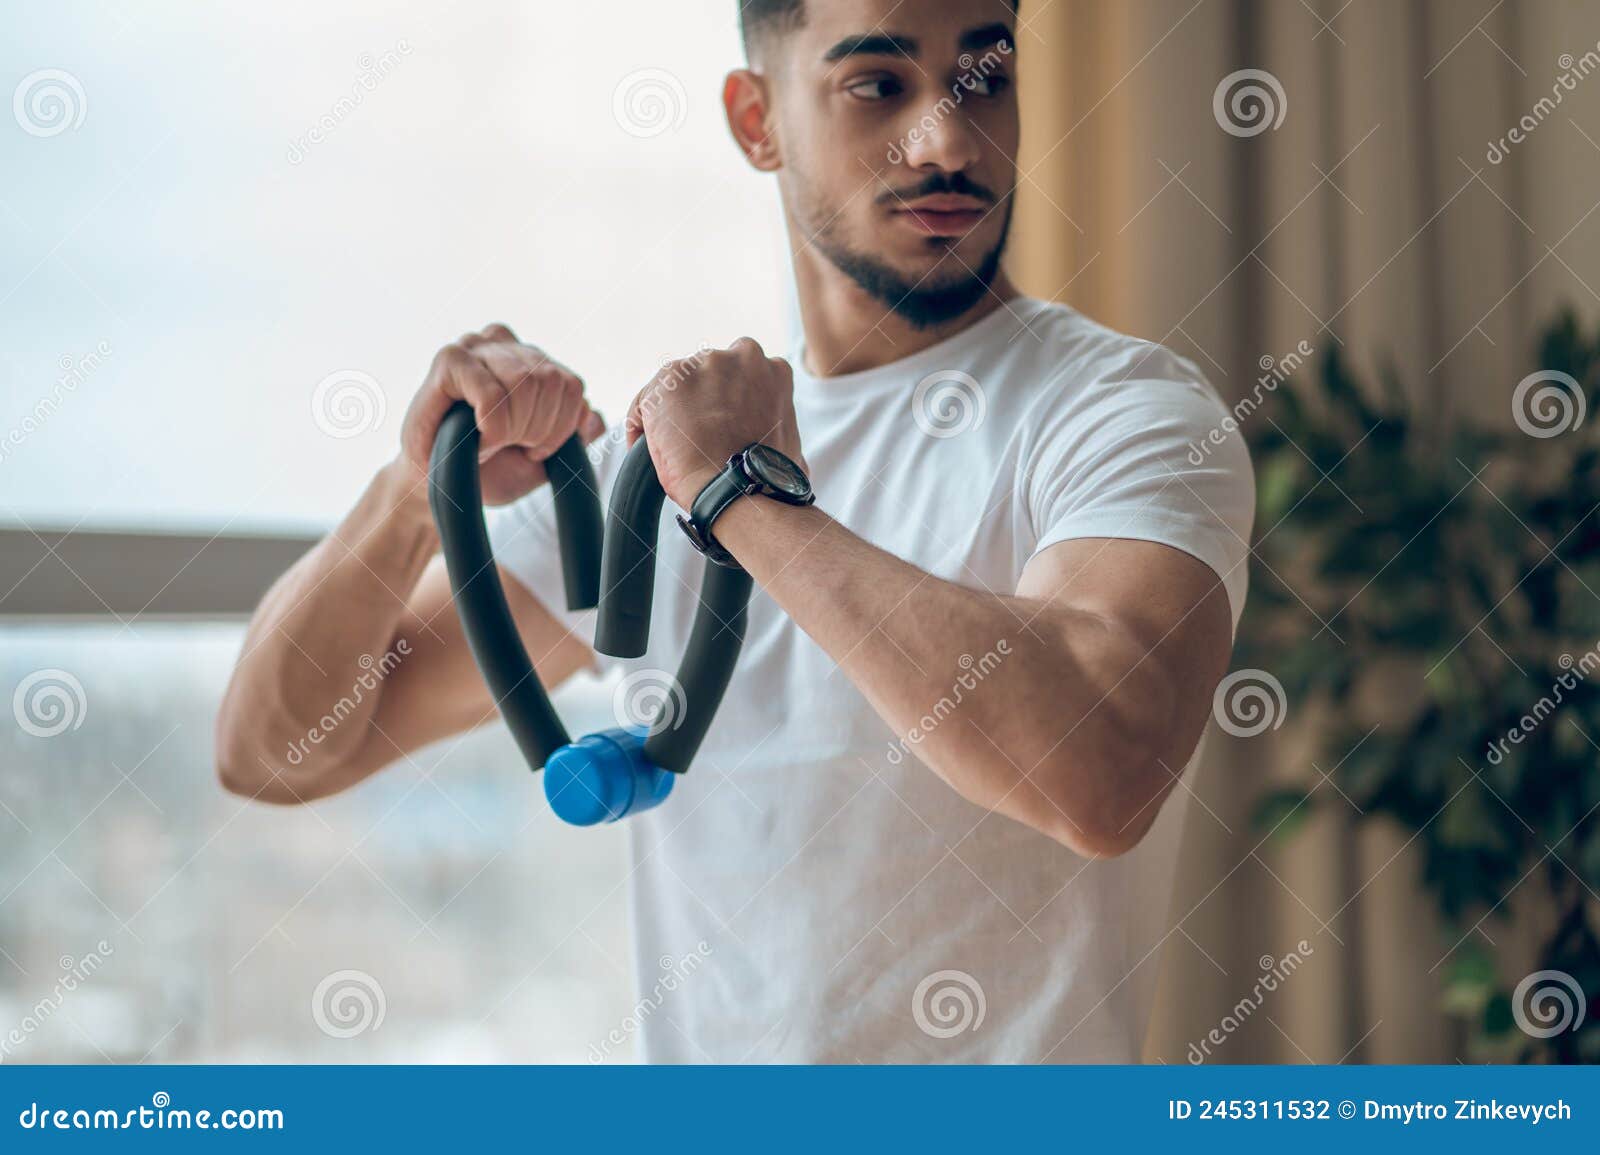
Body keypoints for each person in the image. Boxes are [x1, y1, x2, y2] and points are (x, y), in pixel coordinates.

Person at [215, 0, 1255, 1062]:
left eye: (984, 76)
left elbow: (1100, 776)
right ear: (756, 121)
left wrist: (737, 494)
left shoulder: (1121, 412)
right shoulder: (650, 471)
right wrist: (411, 491)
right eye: (877, 84)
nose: (947, 139)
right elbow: (276, 753)